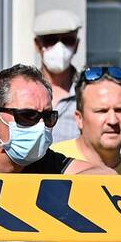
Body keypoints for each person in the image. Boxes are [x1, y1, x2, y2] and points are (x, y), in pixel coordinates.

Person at [0, 64, 110, 175]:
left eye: (48, 117)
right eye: (27, 116)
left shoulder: (46, 166)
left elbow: (105, 176)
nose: (41, 127)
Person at [51, 66, 121, 175]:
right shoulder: (51, 164)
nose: (113, 121)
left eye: (120, 110)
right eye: (102, 111)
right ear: (79, 118)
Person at [33, 9, 82, 145]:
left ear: (76, 45)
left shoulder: (89, 91)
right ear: (37, 45)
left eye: (67, 40)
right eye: (50, 40)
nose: (59, 48)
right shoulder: (18, 90)